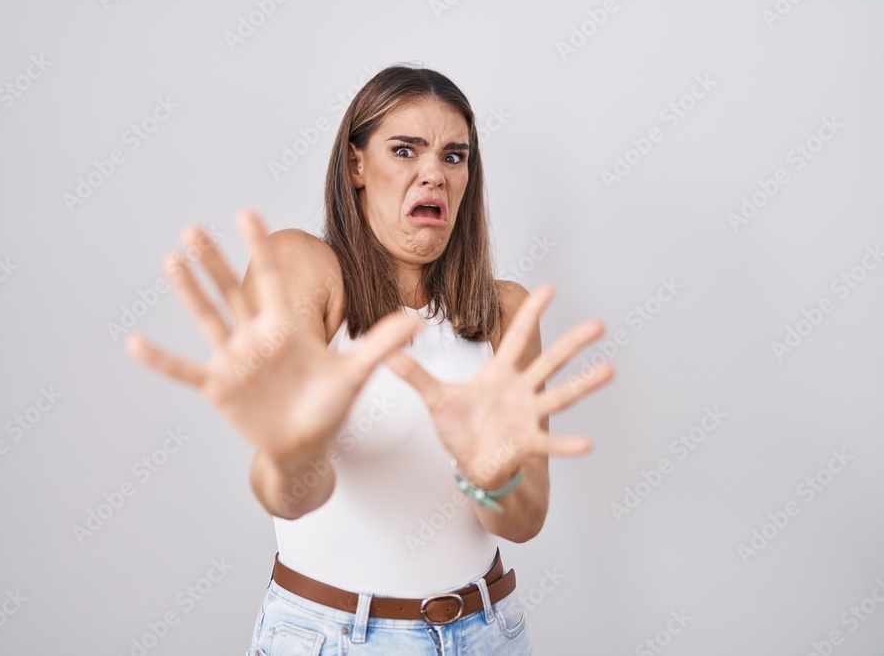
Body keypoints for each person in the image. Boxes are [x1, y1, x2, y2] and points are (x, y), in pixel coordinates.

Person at [125, 64, 615, 655]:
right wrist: (294, 446)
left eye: (453, 157)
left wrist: (494, 475)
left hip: (488, 630)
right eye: (405, 150)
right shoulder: (305, 267)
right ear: (356, 164)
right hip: (338, 637)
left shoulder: (504, 311)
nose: (433, 173)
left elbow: (526, 519)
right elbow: (289, 494)